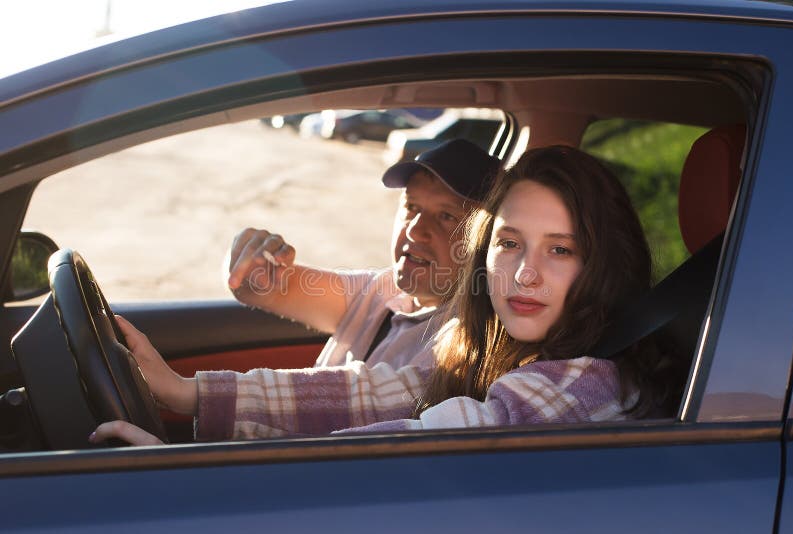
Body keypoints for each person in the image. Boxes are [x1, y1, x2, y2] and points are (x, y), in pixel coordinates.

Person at [91, 145, 673, 446]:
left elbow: (404, 447)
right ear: (487, 247)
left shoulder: (580, 385)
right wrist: (185, 391)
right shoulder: (393, 295)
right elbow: (373, 394)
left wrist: (190, 471)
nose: (524, 274)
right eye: (510, 242)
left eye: (561, 249)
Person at [227, 138, 501, 369]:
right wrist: (248, 258)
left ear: (486, 240)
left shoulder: (465, 344)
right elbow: (258, 288)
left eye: (447, 216)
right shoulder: (380, 290)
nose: (415, 230)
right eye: (411, 207)